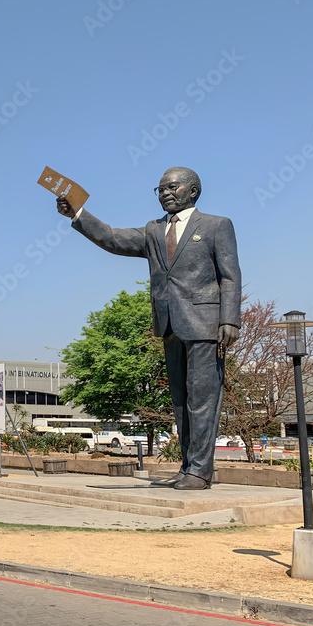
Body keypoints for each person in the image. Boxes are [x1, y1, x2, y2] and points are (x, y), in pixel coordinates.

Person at [58, 166, 241, 490]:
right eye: (160, 189)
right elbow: (113, 238)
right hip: (169, 322)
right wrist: (79, 213)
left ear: (193, 191)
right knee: (181, 402)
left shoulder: (216, 226)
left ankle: (200, 471)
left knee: (202, 399)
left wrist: (229, 319)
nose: (165, 193)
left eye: (172, 187)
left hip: (204, 324)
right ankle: (188, 467)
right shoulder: (153, 231)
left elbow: (229, 276)